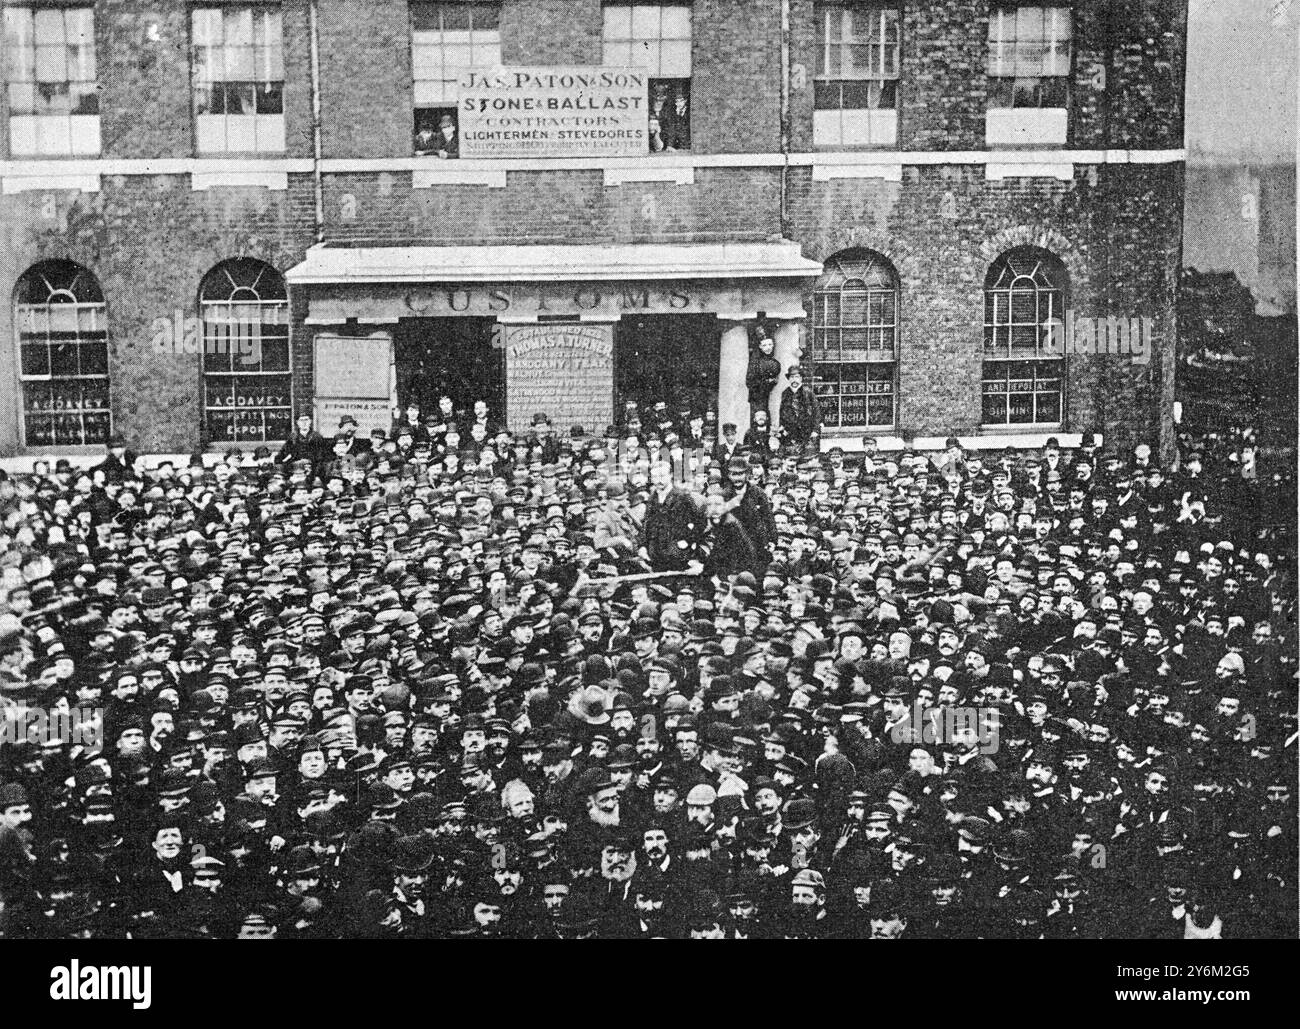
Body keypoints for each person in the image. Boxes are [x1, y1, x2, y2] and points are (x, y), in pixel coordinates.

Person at [778, 365, 822, 455]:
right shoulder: (785, 393)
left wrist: (815, 430)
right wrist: (782, 427)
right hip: (792, 433)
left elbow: (817, 412)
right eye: (792, 377)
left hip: (807, 431)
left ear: (801, 378)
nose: (794, 380)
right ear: (789, 379)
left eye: (797, 377)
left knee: (808, 456)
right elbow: (782, 412)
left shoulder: (808, 392)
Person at [745, 326, 782, 417]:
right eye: (764, 345)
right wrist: (765, 382)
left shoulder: (775, 363)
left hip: (768, 394)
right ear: (760, 347)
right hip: (756, 396)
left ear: (773, 345)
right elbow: (749, 381)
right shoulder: (755, 363)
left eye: (770, 345)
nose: (768, 348)